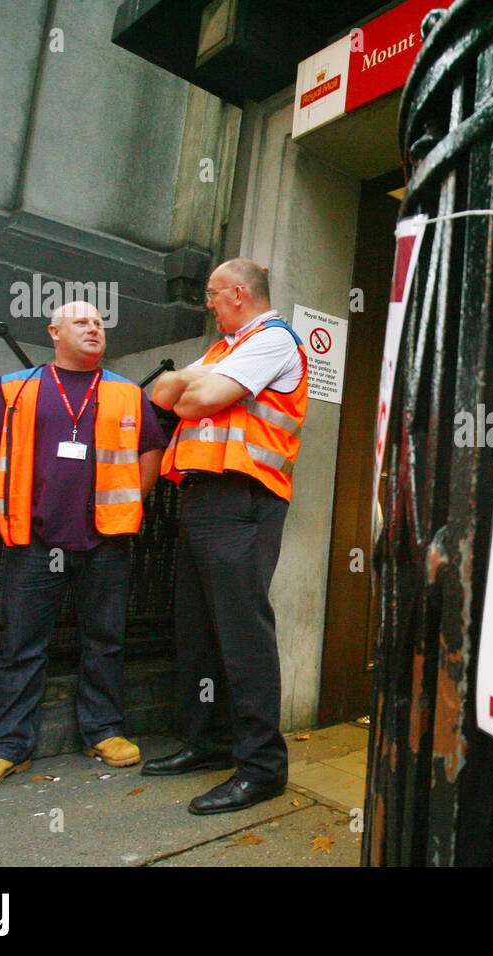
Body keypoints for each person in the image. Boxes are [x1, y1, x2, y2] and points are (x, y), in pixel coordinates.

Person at [0, 300, 167, 793]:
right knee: (21, 648)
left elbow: (151, 450)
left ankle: (105, 731)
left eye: (99, 323)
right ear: (55, 331)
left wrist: (130, 502)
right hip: (34, 541)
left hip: (106, 541)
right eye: (82, 322)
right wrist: (5, 505)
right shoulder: (17, 386)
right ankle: (6, 748)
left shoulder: (125, 394)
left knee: (105, 642)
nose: (94, 328)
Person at [145, 258, 306, 816]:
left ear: (238, 293)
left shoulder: (273, 340)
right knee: (199, 630)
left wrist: (195, 388)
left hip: (244, 498)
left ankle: (262, 766)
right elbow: (168, 392)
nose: (207, 303)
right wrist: (193, 385)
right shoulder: (223, 350)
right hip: (203, 497)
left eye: (212, 295)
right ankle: (209, 742)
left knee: (242, 634)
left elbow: (198, 401)